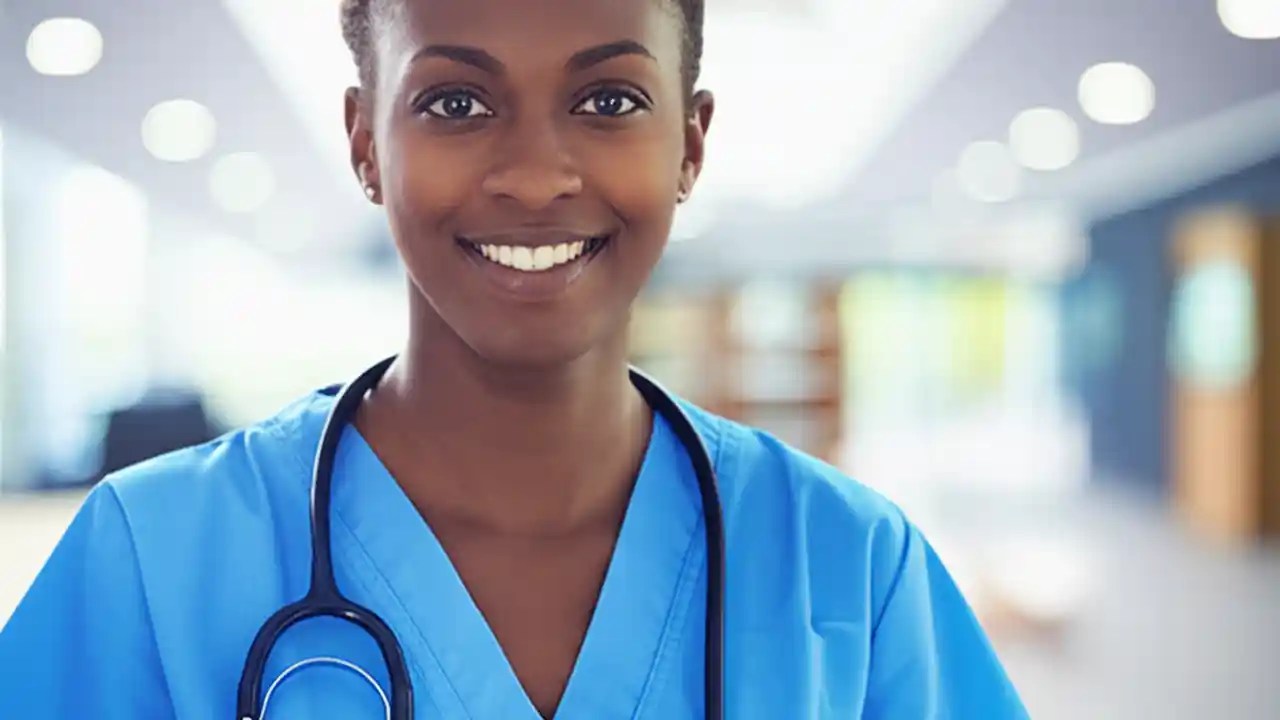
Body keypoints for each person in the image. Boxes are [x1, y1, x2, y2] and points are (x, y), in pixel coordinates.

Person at [0, 0, 1029, 717]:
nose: (536, 178)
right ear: (365, 142)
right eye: (455, 102)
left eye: (609, 100)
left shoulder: (848, 568)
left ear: (690, 144)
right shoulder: (148, 560)